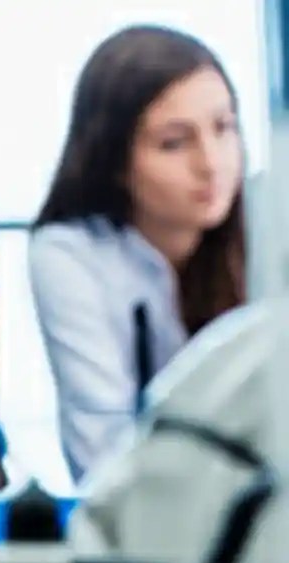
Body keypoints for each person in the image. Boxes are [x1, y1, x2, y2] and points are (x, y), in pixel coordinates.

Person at [30, 25, 246, 482]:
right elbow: (102, 459)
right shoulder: (72, 255)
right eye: (174, 142)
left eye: (224, 128)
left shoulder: (269, 228)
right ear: (114, 161)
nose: (211, 163)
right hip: (152, 531)